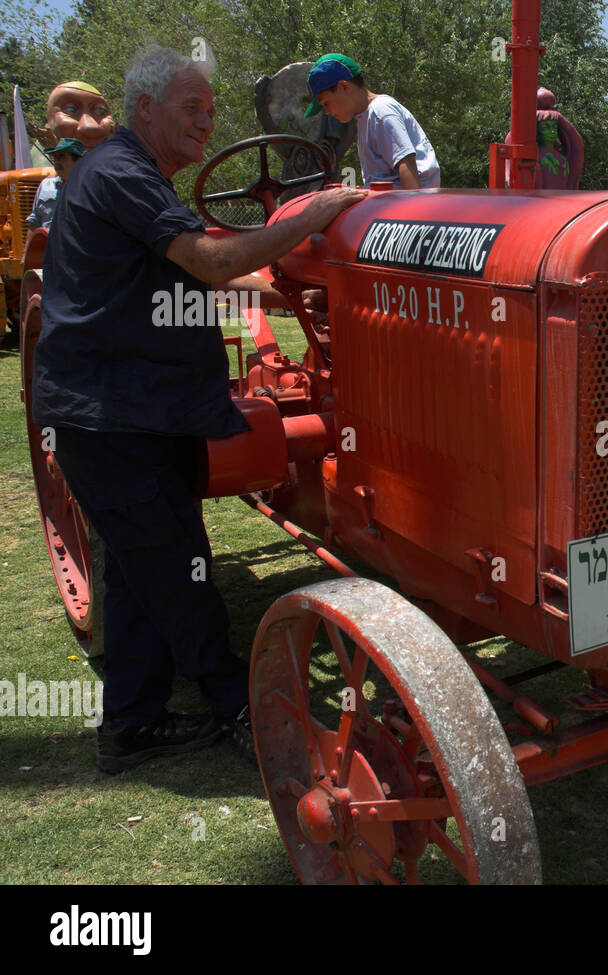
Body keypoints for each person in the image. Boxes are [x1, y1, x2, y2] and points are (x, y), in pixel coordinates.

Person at [30, 45, 366, 774]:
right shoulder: (123, 174)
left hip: (122, 408)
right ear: (144, 109)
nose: (205, 123)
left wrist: (295, 291)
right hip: (115, 415)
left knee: (134, 566)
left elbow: (192, 281)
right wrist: (315, 214)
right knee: (179, 564)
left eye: (211, 111)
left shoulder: (128, 177)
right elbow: (212, 266)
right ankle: (238, 705)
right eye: (192, 108)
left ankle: (131, 725)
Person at [305, 53, 440, 189]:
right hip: (388, 198)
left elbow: (407, 163)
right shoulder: (364, 118)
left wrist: (411, 208)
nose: (327, 112)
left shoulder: (381, 111)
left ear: (345, 87)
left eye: (326, 103)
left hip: (407, 200)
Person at [27, 138, 85, 230]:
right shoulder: (45, 185)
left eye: (61, 156)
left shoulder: (89, 188)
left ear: (78, 160)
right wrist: (29, 244)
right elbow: (35, 221)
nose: (56, 162)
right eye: (54, 157)